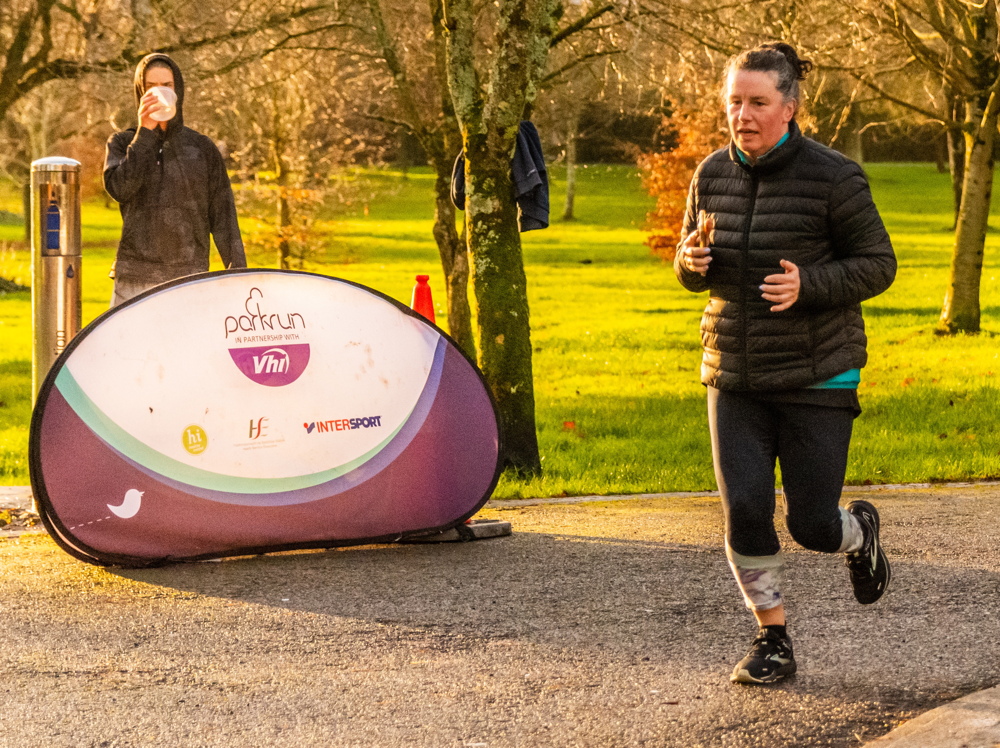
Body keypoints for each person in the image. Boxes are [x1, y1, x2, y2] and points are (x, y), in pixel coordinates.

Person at [674, 42, 897, 685]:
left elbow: (879, 265)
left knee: (812, 525)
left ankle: (858, 534)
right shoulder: (711, 172)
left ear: (790, 107)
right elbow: (695, 270)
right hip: (735, 371)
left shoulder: (836, 177)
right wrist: (688, 266)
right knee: (745, 508)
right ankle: (772, 638)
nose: (741, 115)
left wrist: (811, 286)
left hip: (817, 373)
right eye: (734, 102)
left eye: (757, 102)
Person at [104, 53, 246, 307]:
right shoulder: (123, 143)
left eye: (166, 86)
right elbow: (120, 189)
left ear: (177, 90)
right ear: (140, 91)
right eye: (151, 86)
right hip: (135, 277)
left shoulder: (201, 148)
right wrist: (144, 132)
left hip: (190, 278)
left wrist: (238, 276)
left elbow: (223, 215)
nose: (159, 92)